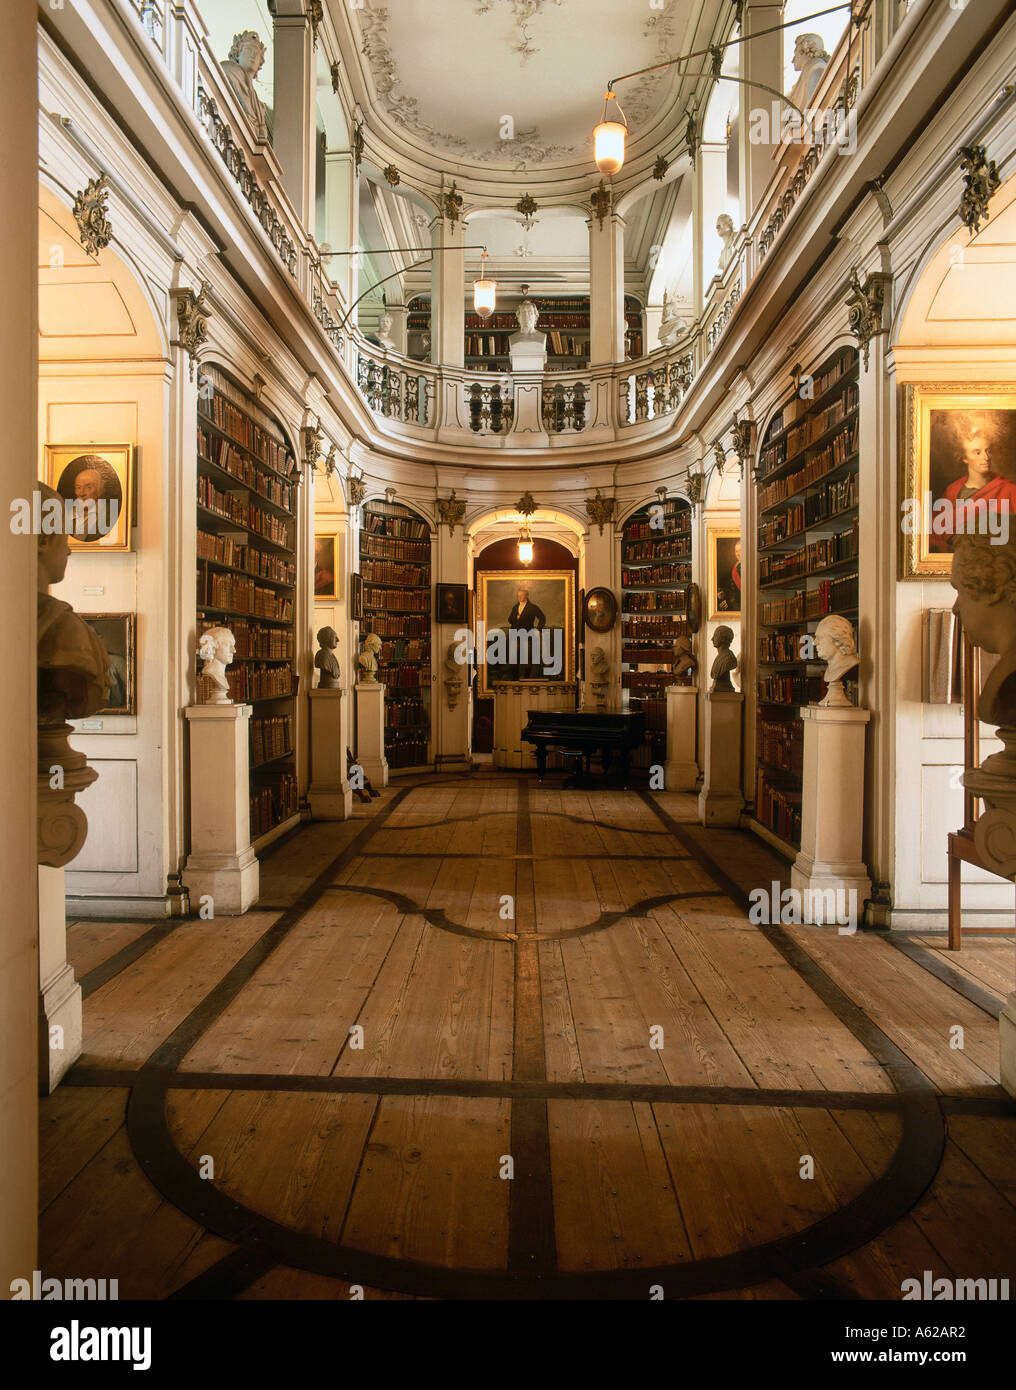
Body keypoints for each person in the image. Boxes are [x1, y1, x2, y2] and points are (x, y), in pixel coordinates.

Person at [929, 419, 1016, 553]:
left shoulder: (1009, 490)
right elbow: (935, 533)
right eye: (977, 452)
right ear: (965, 458)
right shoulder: (952, 491)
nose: (986, 457)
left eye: (988, 451)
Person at [221, 31, 270, 143]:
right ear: (237, 53)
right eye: (248, 50)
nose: (253, 55)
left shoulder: (258, 104)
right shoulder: (229, 72)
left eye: (257, 53)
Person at [814, 614, 859, 706]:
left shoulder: (851, 664)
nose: (815, 643)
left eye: (819, 638)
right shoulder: (829, 671)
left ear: (837, 640)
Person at [508, 586, 546, 679]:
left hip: (527, 636)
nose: (519, 597)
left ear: (527, 596)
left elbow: (542, 618)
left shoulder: (533, 607)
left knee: (526, 657)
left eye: (521, 595)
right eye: (518, 595)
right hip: (515, 637)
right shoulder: (515, 607)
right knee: (514, 658)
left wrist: (538, 629)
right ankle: (515, 678)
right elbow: (510, 619)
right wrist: (516, 618)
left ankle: (525, 678)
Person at [710, 625, 738, 692]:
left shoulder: (729, 658)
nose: (712, 639)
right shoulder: (719, 657)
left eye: (715, 636)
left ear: (723, 639)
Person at [717, 539, 742, 613]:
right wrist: (723, 595)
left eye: (740, 550)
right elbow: (732, 589)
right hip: (736, 605)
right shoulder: (735, 567)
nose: (738, 554)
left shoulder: (749, 566)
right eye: (736, 551)